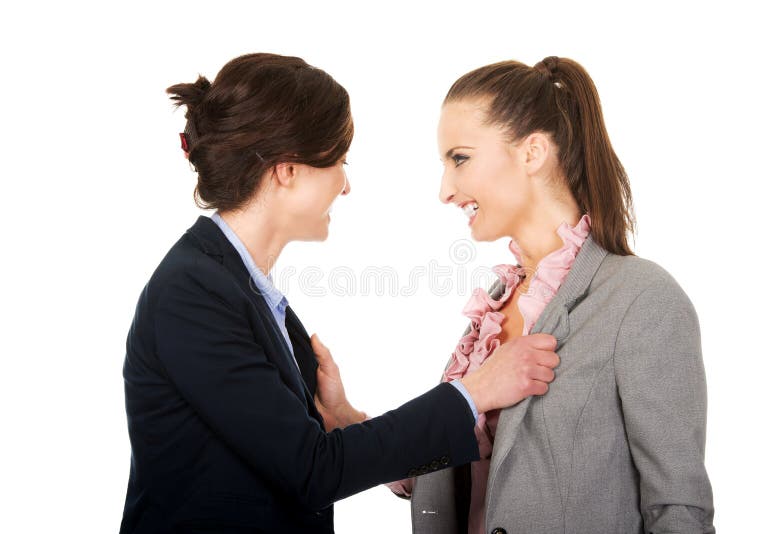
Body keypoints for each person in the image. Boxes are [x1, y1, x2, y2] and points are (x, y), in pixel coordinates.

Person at [119, 52, 561, 533]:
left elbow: (302, 455)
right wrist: (473, 393)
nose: (346, 185)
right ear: (287, 171)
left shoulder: (242, 291)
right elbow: (312, 470)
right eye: (339, 162)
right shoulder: (193, 294)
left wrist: (345, 418)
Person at [389, 57, 715, 533]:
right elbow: (476, 479)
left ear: (533, 152)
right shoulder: (493, 310)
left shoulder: (643, 301)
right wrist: (349, 426)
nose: (446, 190)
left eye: (459, 159)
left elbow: (678, 512)